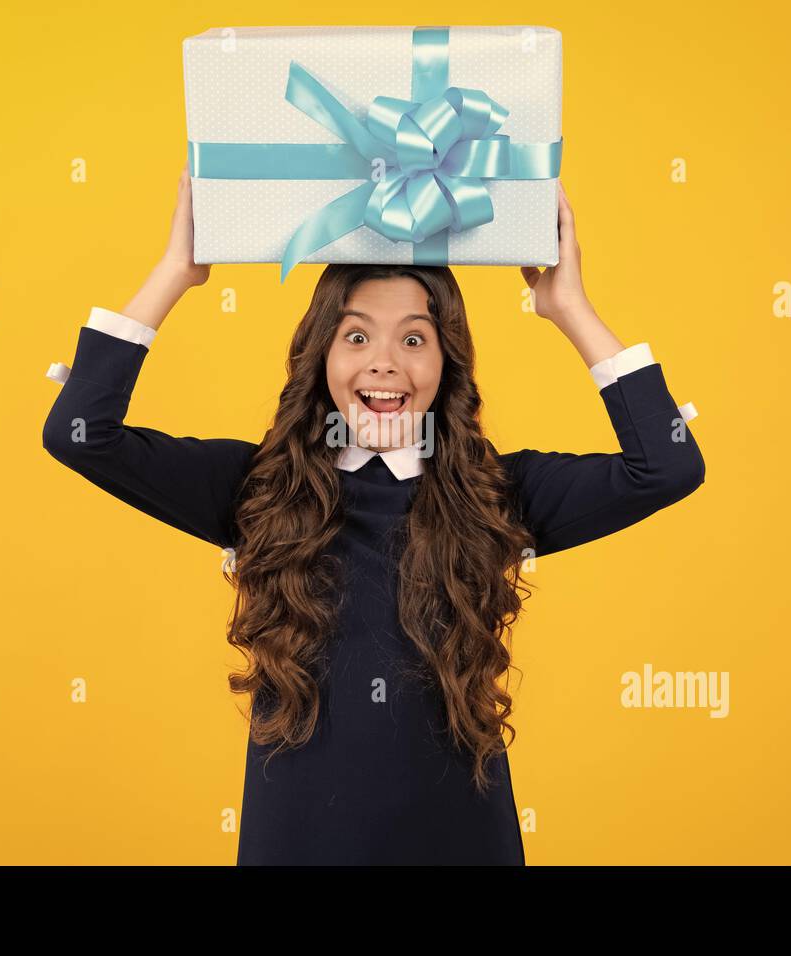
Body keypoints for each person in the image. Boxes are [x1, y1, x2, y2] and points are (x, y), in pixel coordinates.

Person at [42, 170, 706, 865]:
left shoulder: (497, 494)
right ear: (319, 355)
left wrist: (569, 307)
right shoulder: (258, 490)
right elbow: (80, 431)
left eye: (414, 340)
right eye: (356, 338)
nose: (385, 364)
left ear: (448, 362)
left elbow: (668, 465)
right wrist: (175, 274)